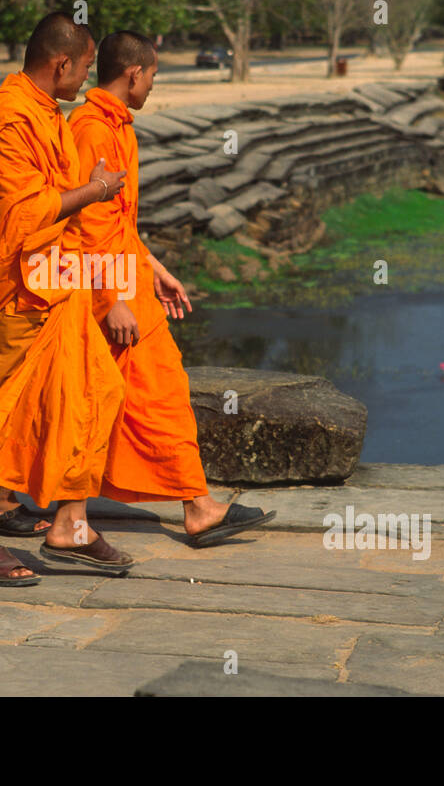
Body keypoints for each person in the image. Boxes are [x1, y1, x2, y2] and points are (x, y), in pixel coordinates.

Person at [66, 31, 275, 547]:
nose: (154, 86)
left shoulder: (117, 128)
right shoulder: (93, 129)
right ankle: (191, 507)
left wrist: (154, 266)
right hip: (108, 289)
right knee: (130, 397)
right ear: (134, 73)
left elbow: (120, 221)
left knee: (140, 397)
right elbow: (88, 225)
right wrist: (112, 298)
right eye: (154, 75)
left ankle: (187, 504)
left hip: (127, 278)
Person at [0, 11, 132, 585]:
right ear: (61, 64)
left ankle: (71, 524)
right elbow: (26, 211)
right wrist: (96, 190)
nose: (84, 80)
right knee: (2, 413)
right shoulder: (9, 116)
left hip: (57, 282)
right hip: (13, 288)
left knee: (94, 391)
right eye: (82, 69)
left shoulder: (47, 112)